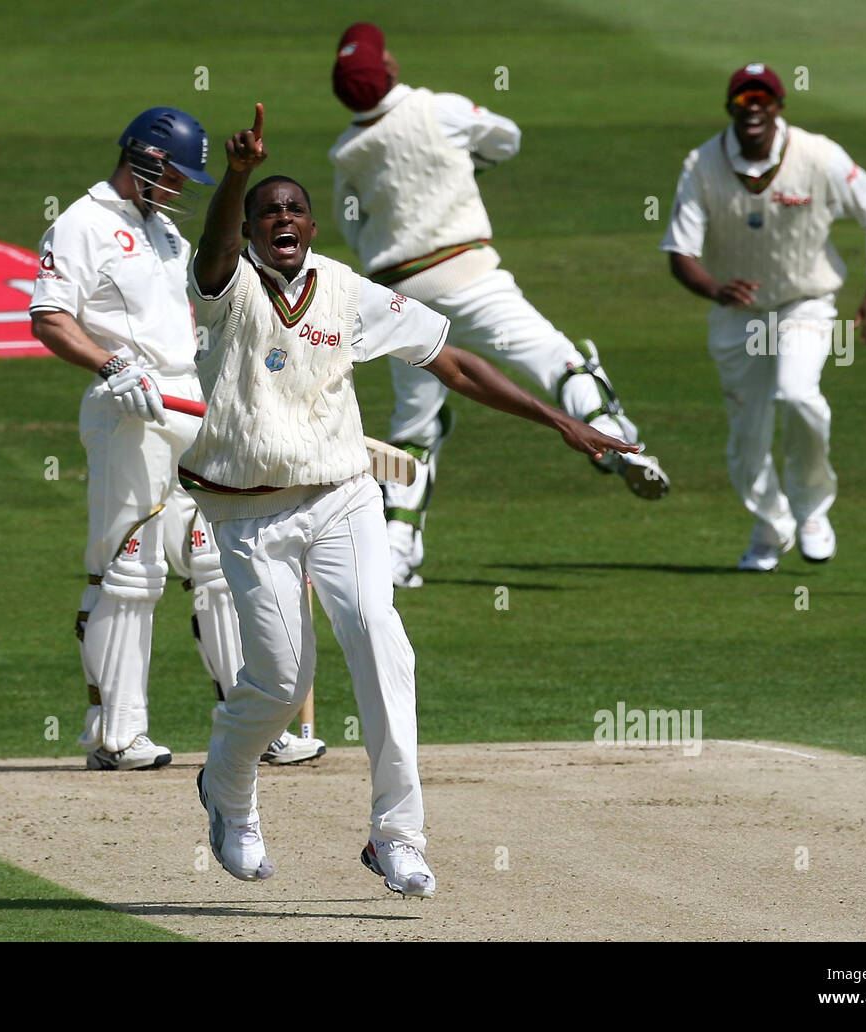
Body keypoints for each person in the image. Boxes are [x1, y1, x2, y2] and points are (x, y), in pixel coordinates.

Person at [182, 103, 636, 897]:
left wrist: (557, 417)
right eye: (267, 211)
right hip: (250, 508)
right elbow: (216, 248)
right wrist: (239, 175)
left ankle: (396, 835)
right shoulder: (226, 287)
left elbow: (452, 362)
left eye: (294, 208)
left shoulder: (349, 291)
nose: (280, 218)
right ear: (251, 229)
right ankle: (227, 789)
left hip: (343, 496)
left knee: (383, 645)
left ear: (314, 226)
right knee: (280, 685)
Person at [28, 107, 325, 772]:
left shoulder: (162, 232)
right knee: (131, 570)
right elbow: (48, 317)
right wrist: (111, 365)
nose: (177, 189)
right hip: (128, 410)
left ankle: (256, 725)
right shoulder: (82, 223)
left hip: (191, 407)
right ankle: (116, 734)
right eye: (173, 174)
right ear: (141, 157)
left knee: (216, 565)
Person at [327, 22, 670, 588]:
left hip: (399, 297)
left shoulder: (345, 152)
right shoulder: (437, 109)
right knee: (556, 358)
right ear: (387, 68)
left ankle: (396, 548)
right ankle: (617, 439)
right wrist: (467, 162)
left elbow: (352, 224)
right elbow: (506, 137)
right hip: (470, 275)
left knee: (415, 424)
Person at [660, 63, 866, 570]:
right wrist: (715, 289)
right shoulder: (701, 164)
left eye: (762, 99)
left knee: (797, 394)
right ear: (731, 108)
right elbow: (680, 254)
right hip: (739, 314)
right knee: (747, 439)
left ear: (778, 107)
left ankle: (812, 510)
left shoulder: (819, 155)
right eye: (744, 100)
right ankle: (770, 527)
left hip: (805, 302)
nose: (753, 109)